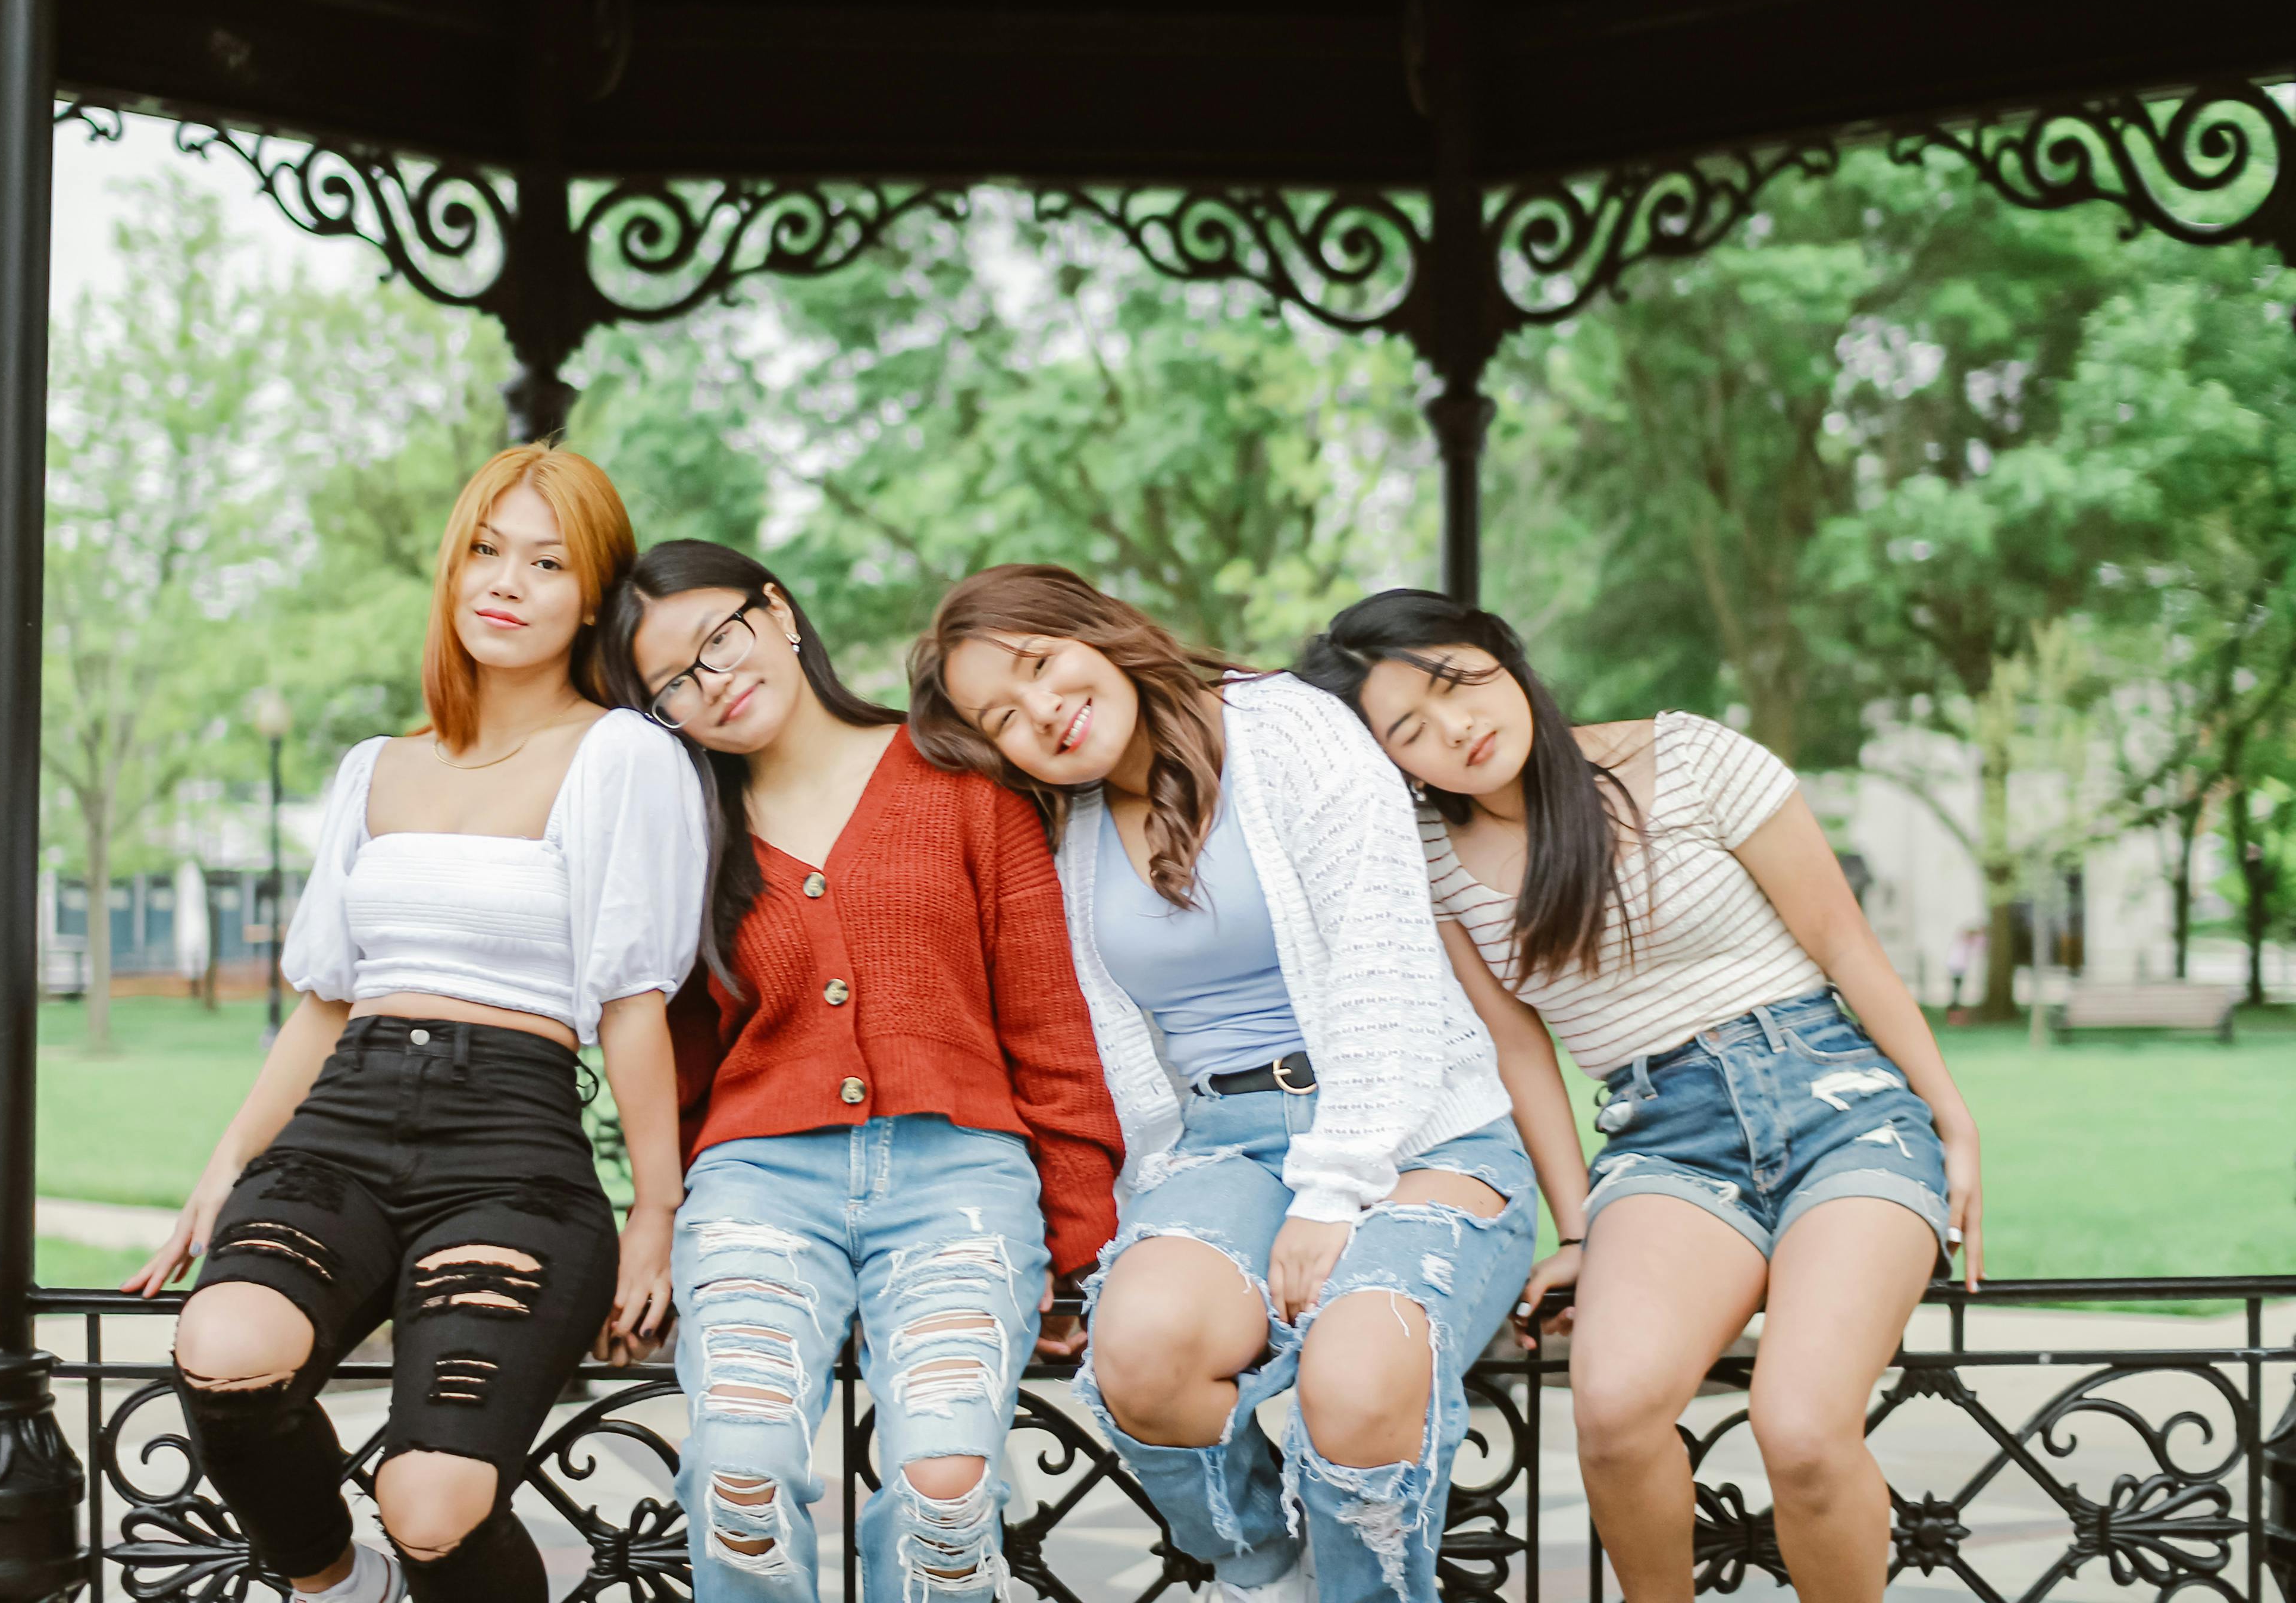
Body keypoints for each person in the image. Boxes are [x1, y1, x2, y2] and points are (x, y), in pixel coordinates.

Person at [1293, 589, 1984, 1603]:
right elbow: (1520, 1052)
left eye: (1456, 682)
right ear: (1389, 759)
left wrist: (1953, 1119)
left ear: (1499, 653)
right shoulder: (1427, 859)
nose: (1457, 728)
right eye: (1410, 729)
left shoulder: (1690, 757)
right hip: (1666, 1136)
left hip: (1844, 1104)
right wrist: (1579, 1232)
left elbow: (1846, 944)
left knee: (1798, 1428)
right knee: (1612, 1413)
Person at [126, 446, 707, 1603]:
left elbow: (633, 999)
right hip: (342, 1125)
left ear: (590, 594)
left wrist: (656, 1206)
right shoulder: (373, 767)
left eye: (547, 561)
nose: (506, 581)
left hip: (513, 1151)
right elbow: (326, 998)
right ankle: (338, 1584)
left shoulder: (620, 755)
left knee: (433, 1502)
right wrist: (228, 1160)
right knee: (224, 1349)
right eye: (485, 552)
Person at [909, 563, 1540, 1603]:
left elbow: (1385, 957)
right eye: (1003, 717)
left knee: (1360, 1375)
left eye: (1040, 665)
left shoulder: (1286, 728)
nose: (1045, 713)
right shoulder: (1062, 827)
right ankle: (1268, 1578)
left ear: (1098, 632)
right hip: (1224, 1142)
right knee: (1144, 1350)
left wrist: (1337, 1190)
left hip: (1421, 1133)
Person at [599, 540, 1123, 1602]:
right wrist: (657, 1211)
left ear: (779, 612)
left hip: (962, 1181)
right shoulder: (687, 837)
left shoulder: (964, 779)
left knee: (948, 1486)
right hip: (759, 1184)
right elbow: (671, 1051)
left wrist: (1082, 1244)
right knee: (738, 1479)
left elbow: (1050, 1023)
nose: (715, 681)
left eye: (723, 639)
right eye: (673, 683)